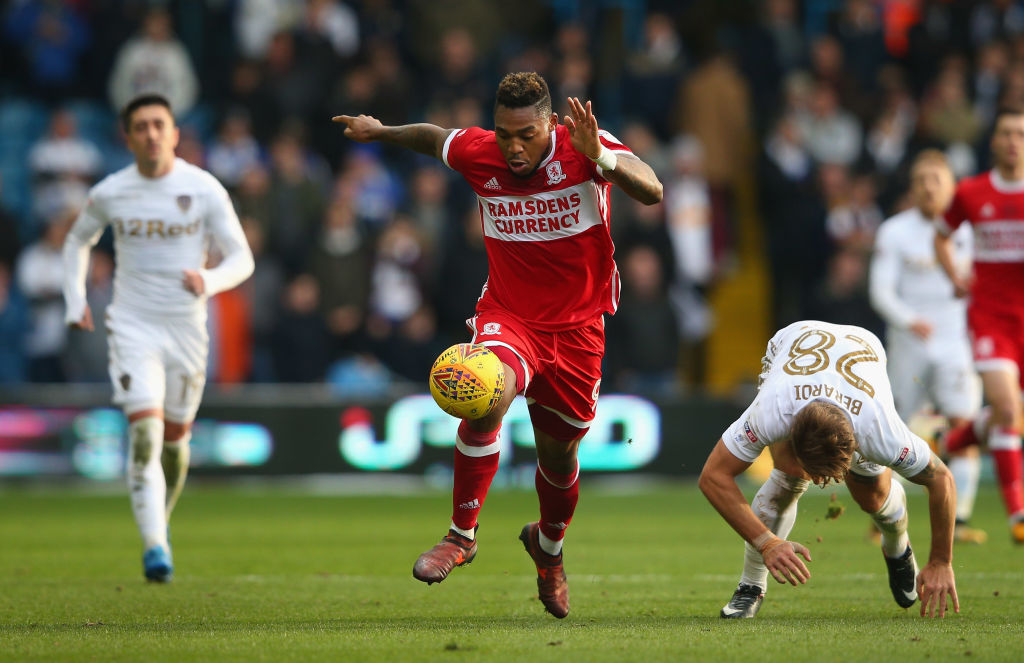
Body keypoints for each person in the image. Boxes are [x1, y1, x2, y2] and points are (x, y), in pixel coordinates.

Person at [333, 72, 663, 618]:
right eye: (504, 133)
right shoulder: (479, 152)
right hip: (509, 316)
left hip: (579, 330)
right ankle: (462, 535)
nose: (512, 147)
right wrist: (382, 131)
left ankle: (548, 549)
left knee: (560, 459)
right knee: (484, 393)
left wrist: (600, 158)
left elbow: (651, 190)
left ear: (550, 124)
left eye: (526, 135)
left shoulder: (585, 146)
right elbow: (432, 135)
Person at [62, 94, 254, 582]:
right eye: (141, 126)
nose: (150, 133)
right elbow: (77, 240)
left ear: (173, 133)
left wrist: (208, 281)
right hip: (132, 324)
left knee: (174, 442)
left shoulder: (203, 188)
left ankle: (158, 521)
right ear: (127, 137)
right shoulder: (112, 191)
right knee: (144, 434)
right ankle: (155, 544)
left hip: (187, 327)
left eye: (159, 125)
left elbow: (241, 259)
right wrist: (74, 298)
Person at [699, 321, 959, 620]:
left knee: (872, 498)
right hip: (791, 340)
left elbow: (942, 479)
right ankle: (751, 585)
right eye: (820, 475)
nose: (822, 483)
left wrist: (941, 560)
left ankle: (897, 544)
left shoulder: (880, 432)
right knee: (788, 476)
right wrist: (767, 542)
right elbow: (713, 477)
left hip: (862, 346)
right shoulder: (773, 411)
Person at [869, 150, 985, 543]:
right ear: (912, 187)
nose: (929, 186)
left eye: (937, 178)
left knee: (962, 424)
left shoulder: (970, 230)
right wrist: (907, 319)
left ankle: (962, 520)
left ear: (952, 185)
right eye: (921, 179)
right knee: (892, 425)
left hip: (957, 341)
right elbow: (880, 291)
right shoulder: (894, 231)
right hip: (908, 344)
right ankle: (882, 512)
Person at [935, 106, 1024, 544]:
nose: (1013, 141)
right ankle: (1018, 515)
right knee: (1008, 410)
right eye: (1006, 133)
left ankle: (953, 440)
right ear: (993, 141)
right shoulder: (972, 192)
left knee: (1011, 416)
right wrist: (955, 276)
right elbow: (941, 233)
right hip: (991, 317)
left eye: (1020, 134)